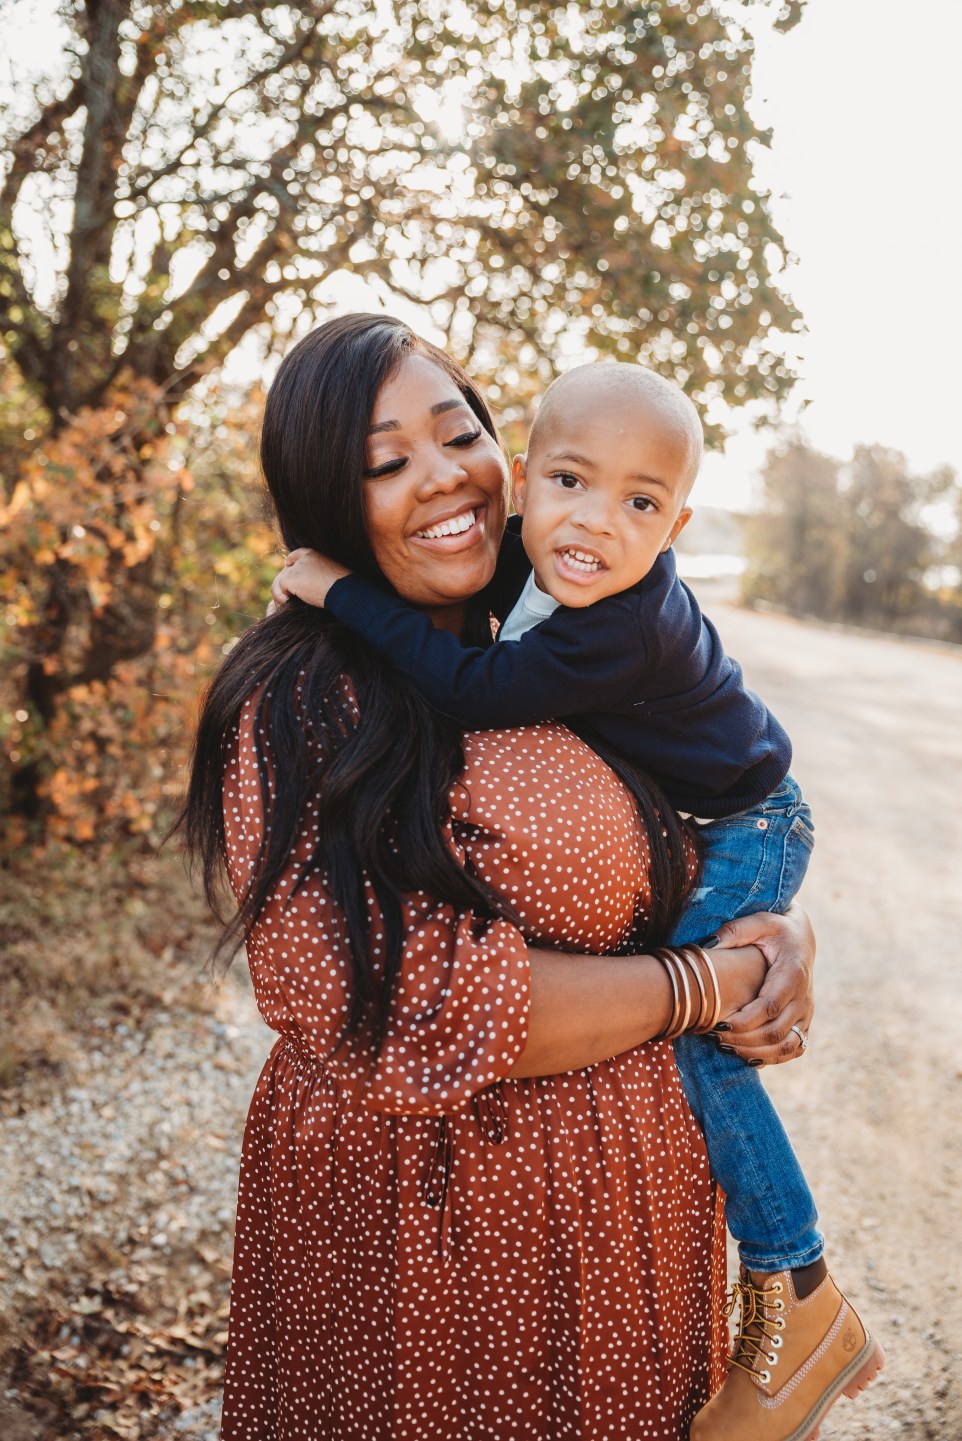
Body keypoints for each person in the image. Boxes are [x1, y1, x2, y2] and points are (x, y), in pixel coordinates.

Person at [181, 313, 820, 1441]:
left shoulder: (551, 627)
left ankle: (796, 1293)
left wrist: (774, 942)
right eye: (385, 461)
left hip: (630, 1233)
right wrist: (707, 984)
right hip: (425, 1248)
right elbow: (400, 999)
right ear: (329, 502)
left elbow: (673, 840)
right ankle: (800, 1282)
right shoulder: (301, 697)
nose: (441, 477)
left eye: (456, 431)